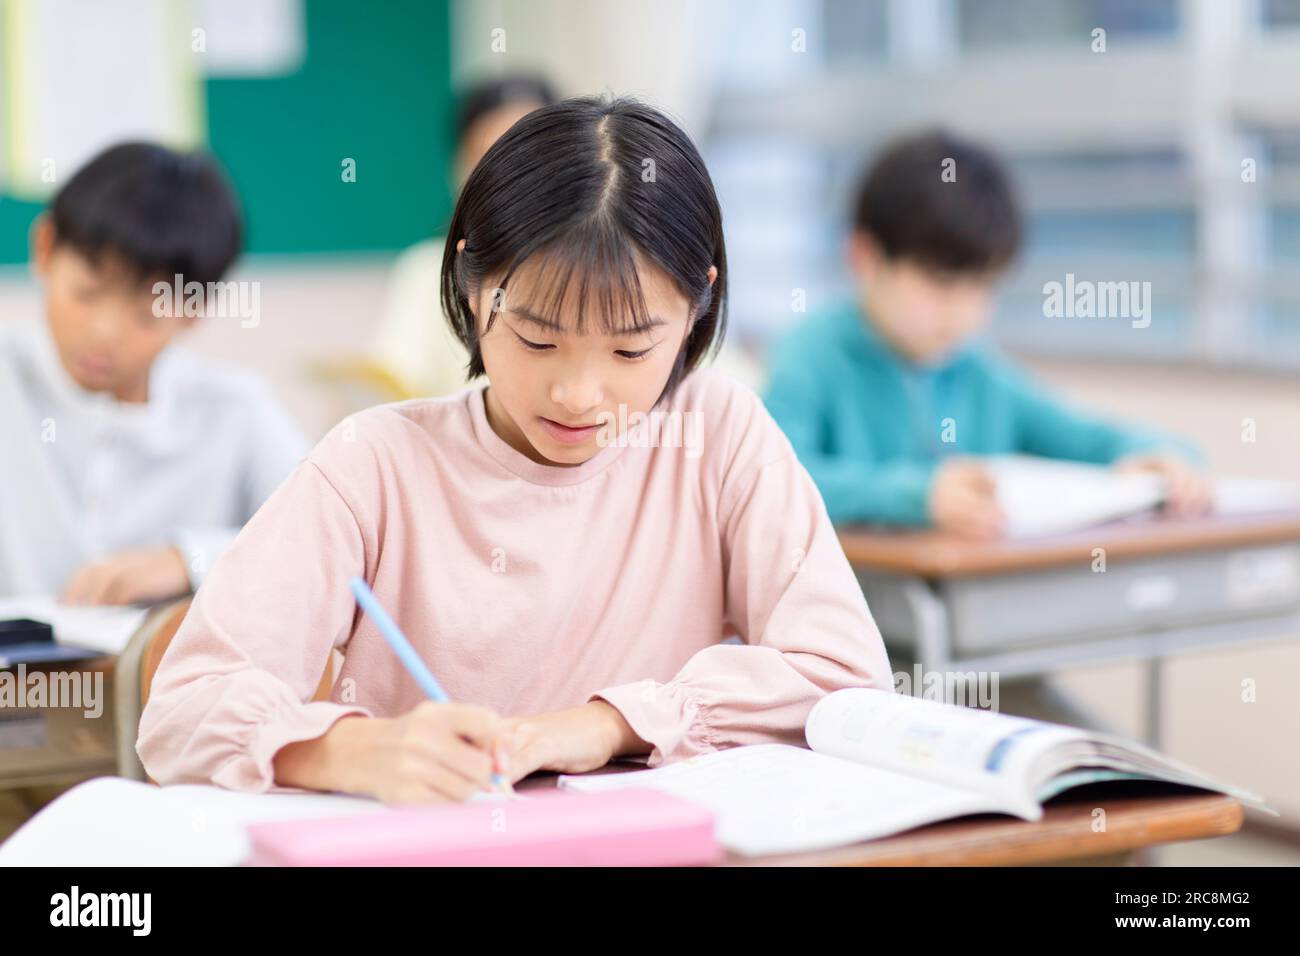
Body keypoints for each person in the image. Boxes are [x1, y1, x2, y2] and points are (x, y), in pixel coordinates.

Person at [137, 96, 893, 804]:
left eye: (631, 352)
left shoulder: (719, 434)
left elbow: (845, 680)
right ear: (471, 286)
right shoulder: (374, 464)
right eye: (537, 338)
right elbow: (184, 707)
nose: (578, 394)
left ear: (696, 308)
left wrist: (610, 724)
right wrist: (344, 751)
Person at [763, 129, 1210, 536]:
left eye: (982, 287)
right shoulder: (813, 355)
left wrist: (1163, 457)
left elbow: (1088, 437)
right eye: (940, 284)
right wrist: (917, 496)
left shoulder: (976, 371)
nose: (963, 316)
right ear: (865, 257)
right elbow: (772, 480)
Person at [0, 142, 307, 602]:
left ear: (194, 310)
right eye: (87, 292)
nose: (104, 332)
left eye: (147, 313)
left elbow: (327, 539)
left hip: (160, 673)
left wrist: (189, 560)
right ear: (44, 249)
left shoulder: (233, 411)